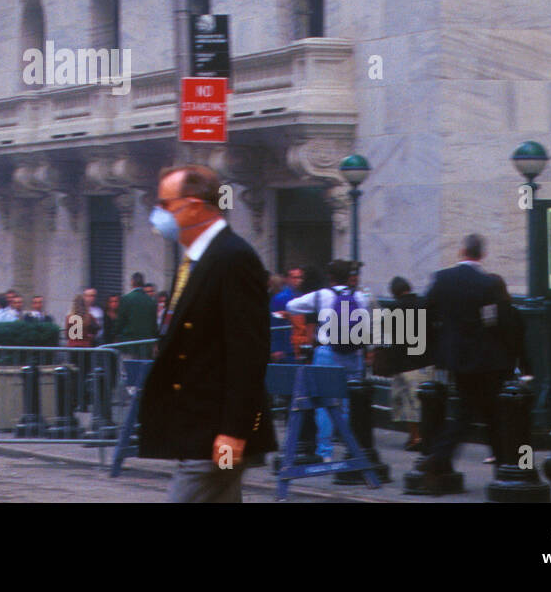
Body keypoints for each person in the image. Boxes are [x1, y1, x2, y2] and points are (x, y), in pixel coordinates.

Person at [138, 164, 276, 502]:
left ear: (195, 205)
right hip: (196, 429)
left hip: (219, 435)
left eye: (165, 205)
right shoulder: (195, 259)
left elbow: (248, 353)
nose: (158, 214)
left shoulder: (232, 258)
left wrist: (234, 431)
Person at [420, 235, 513, 484]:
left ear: (461, 251)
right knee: (482, 412)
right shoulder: (487, 284)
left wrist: (439, 340)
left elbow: (424, 310)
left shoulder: (443, 278)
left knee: (471, 410)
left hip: (454, 357)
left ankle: (440, 459)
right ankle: (502, 467)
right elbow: (493, 321)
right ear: (481, 255)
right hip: (484, 358)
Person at [284, 259, 371, 461]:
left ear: (330, 277)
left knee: (325, 402)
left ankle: (325, 451)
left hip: (328, 351)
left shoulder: (322, 295)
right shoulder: (359, 296)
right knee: (350, 400)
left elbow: (292, 306)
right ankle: (350, 448)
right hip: (353, 353)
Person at [379, 277, 433, 451]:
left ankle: (415, 436)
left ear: (394, 293)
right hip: (425, 359)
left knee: (408, 403)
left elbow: (387, 338)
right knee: (423, 401)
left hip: (402, 362)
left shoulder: (392, 309)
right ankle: (422, 435)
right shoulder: (425, 304)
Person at [115, 272, 157, 343]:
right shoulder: (150, 301)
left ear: (132, 282)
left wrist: (115, 334)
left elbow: (120, 321)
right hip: (146, 341)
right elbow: (153, 324)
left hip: (129, 341)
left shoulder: (126, 299)